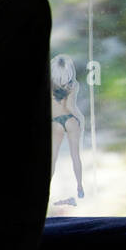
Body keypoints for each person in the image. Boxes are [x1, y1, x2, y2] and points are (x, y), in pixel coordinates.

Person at [50, 53, 85, 204]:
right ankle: (79, 187)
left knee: (52, 158)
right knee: (75, 155)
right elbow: (70, 107)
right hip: (70, 121)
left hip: (55, 121)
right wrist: (80, 118)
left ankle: (47, 188)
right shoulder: (73, 85)